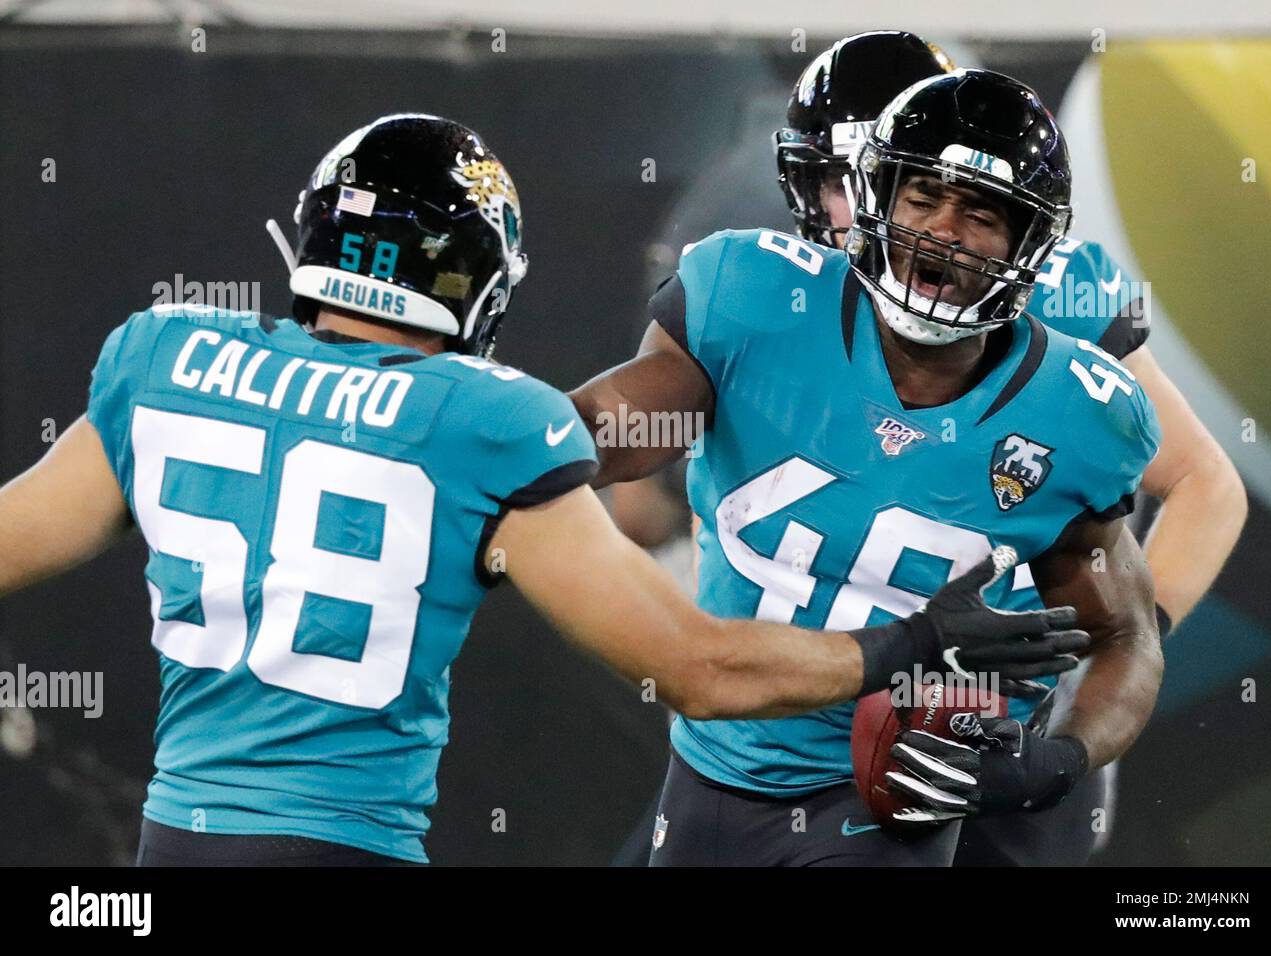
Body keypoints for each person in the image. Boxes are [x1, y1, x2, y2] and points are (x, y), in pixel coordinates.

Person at [0, 113, 1080, 867]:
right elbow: (698, 669)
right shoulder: (489, 418)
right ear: (473, 281)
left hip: (170, 845)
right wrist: (901, 643)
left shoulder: (168, 360)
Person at [570, 70, 1163, 866]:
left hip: (884, 796)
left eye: (981, 214)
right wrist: (491, 440)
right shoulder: (758, 295)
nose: (943, 231)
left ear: (1031, 247)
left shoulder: (1078, 414)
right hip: (712, 764)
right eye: (922, 198)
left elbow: (1123, 637)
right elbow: (596, 437)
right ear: (877, 194)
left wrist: (1061, 758)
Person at [773, 31, 1246, 864]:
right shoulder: (780, 295)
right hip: (808, 725)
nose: (834, 204)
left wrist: (1113, 654)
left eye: (850, 178)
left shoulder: (1050, 290)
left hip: (987, 726)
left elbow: (1207, 483)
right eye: (823, 178)